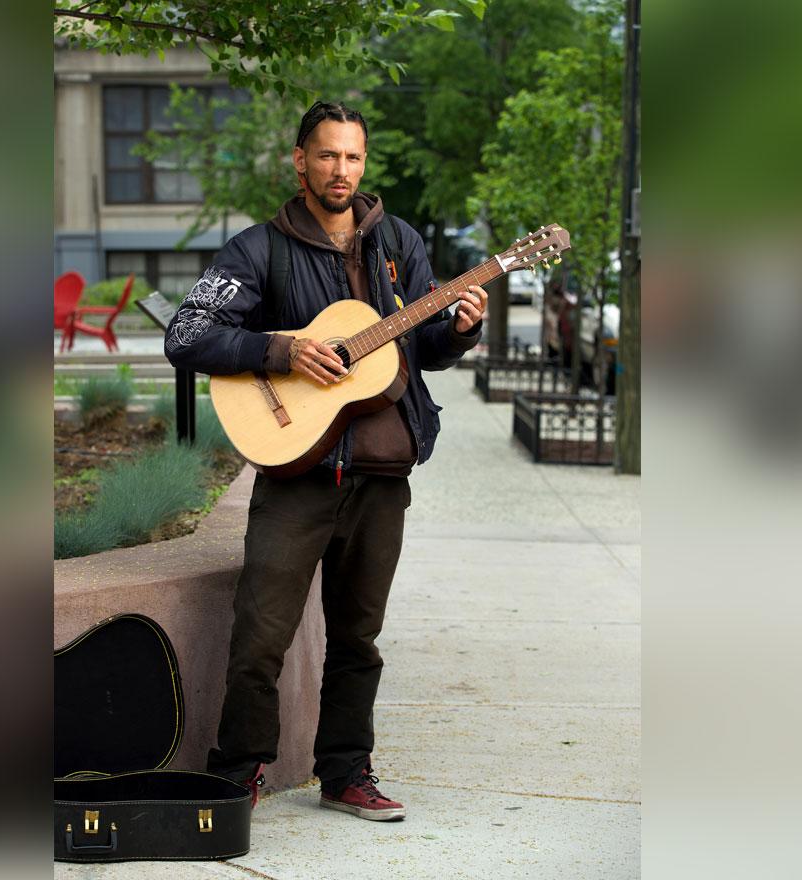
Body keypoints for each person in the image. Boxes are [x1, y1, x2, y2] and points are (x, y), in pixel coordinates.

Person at [164, 100, 487, 821]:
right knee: (259, 638)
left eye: (353, 157)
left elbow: (418, 348)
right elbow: (187, 333)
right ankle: (239, 770)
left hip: (381, 478)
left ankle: (346, 772)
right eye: (328, 155)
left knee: (359, 640)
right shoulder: (258, 250)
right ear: (300, 160)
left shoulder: (398, 243)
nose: (341, 170)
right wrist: (279, 348)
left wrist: (458, 332)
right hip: (298, 475)